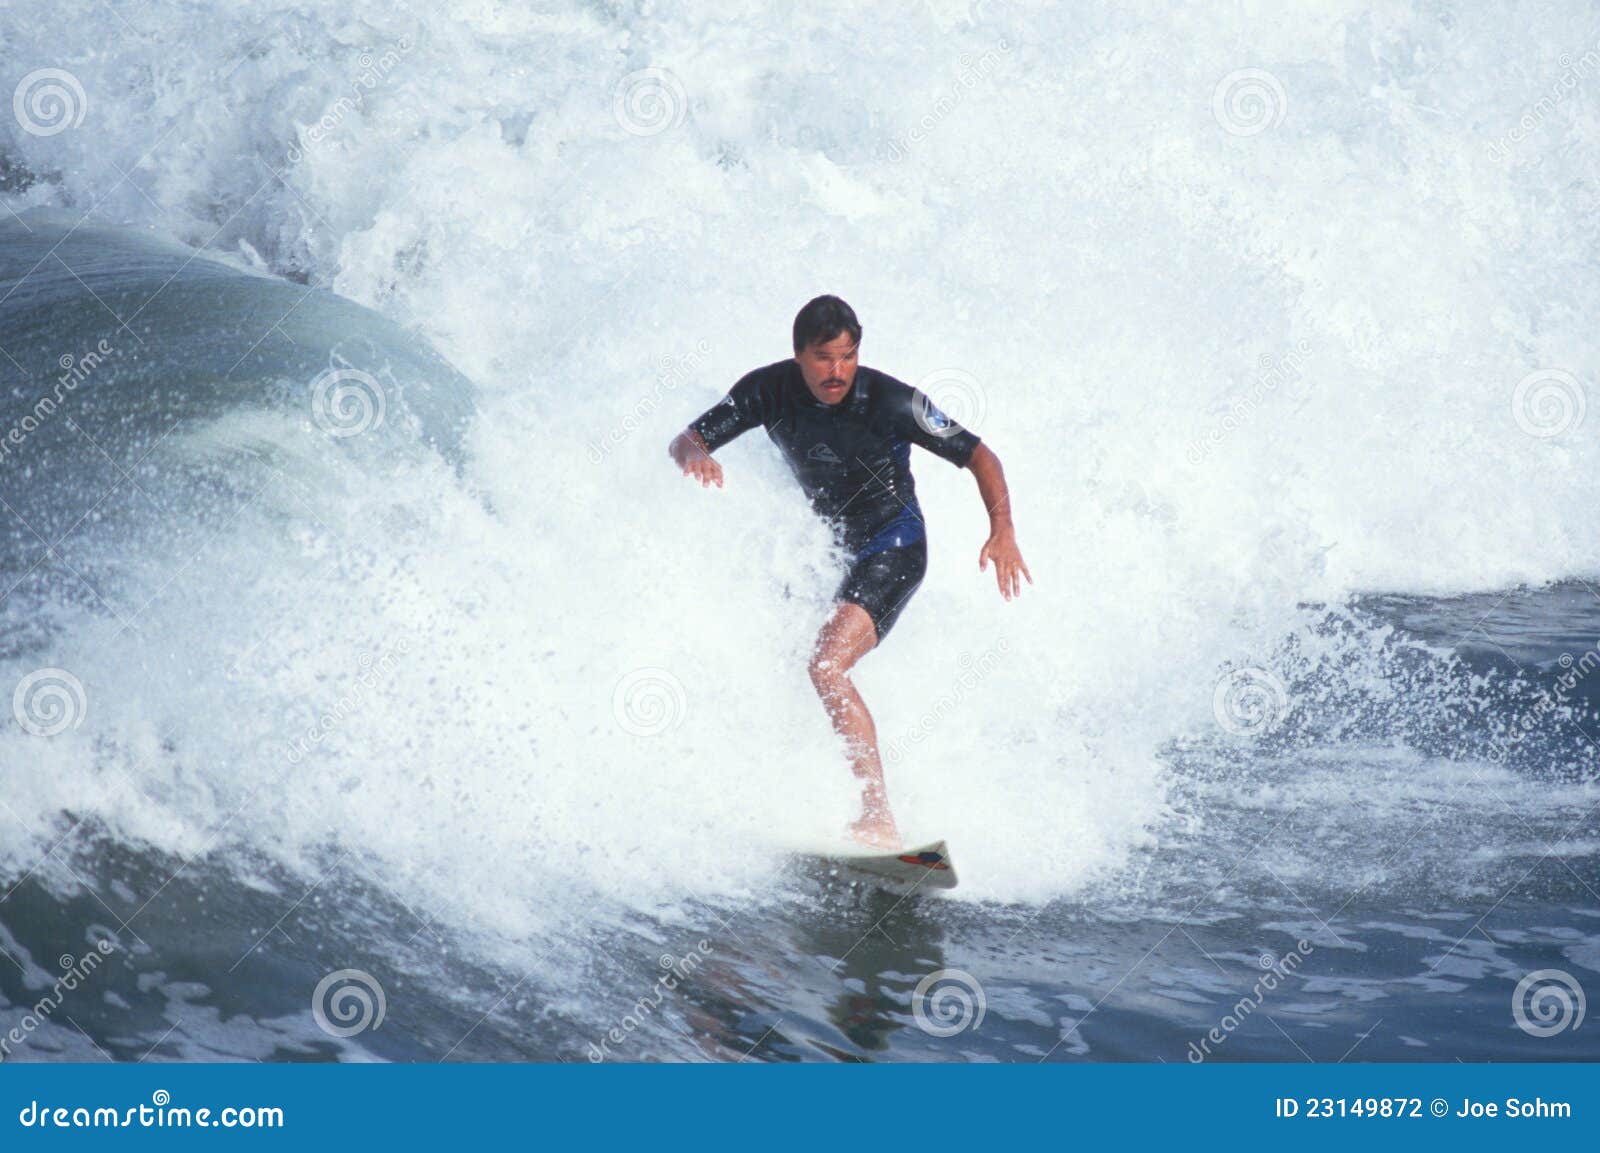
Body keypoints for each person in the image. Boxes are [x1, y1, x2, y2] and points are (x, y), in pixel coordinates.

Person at [668, 295, 1031, 849]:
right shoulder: (767, 390)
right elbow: (687, 438)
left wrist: (1002, 529)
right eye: (823, 358)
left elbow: (980, 456)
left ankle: (879, 818)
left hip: (894, 545)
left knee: (826, 665)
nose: (837, 371)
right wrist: (696, 456)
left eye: (848, 356)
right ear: (798, 356)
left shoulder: (888, 399)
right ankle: (790, 801)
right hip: (830, 551)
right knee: (785, 661)